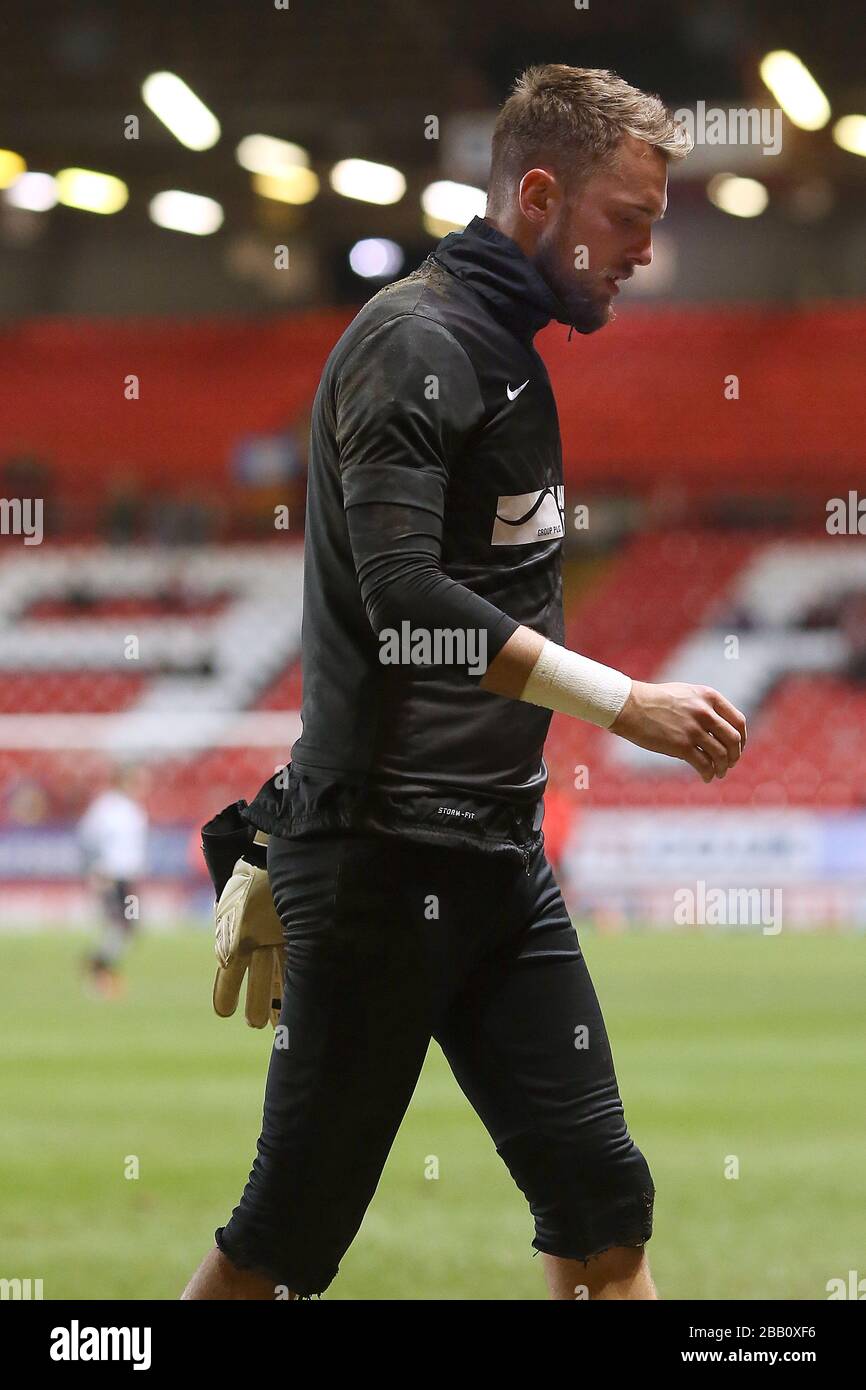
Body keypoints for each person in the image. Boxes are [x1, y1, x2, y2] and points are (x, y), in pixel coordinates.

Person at [183, 64, 747, 1302]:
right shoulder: (415, 343)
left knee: (604, 1214)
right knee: (284, 1237)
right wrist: (625, 702)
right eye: (625, 220)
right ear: (538, 195)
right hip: (380, 859)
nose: (644, 253)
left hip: (496, 861)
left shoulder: (503, 350)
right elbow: (401, 605)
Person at [79, 765, 148, 999]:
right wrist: (95, 870)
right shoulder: (105, 808)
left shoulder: (134, 809)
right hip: (111, 876)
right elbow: (87, 838)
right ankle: (101, 977)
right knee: (117, 925)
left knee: (129, 926)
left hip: (129, 879)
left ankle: (96, 964)